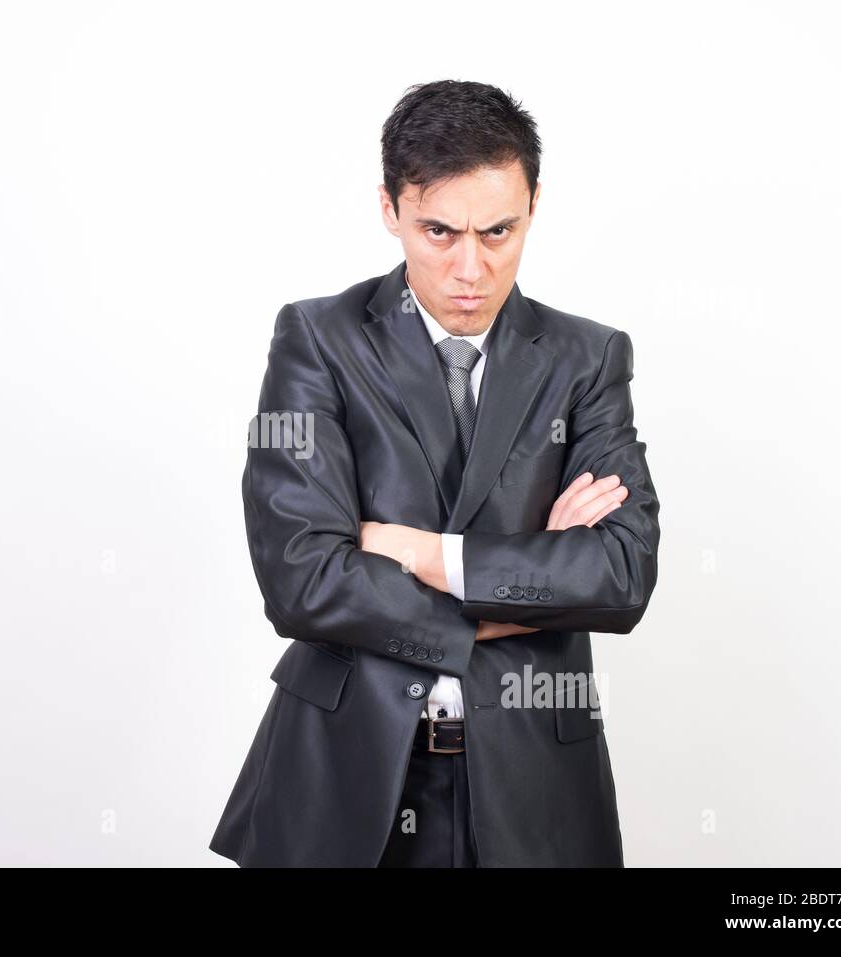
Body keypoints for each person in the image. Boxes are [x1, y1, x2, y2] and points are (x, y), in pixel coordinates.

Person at [209, 79, 660, 867]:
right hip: (343, 778)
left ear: (534, 205)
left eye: (498, 231)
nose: (470, 268)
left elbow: (618, 574)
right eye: (439, 231)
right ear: (389, 209)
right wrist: (525, 589)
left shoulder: (589, 359)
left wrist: (418, 553)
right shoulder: (316, 340)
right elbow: (303, 577)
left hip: (533, 788)